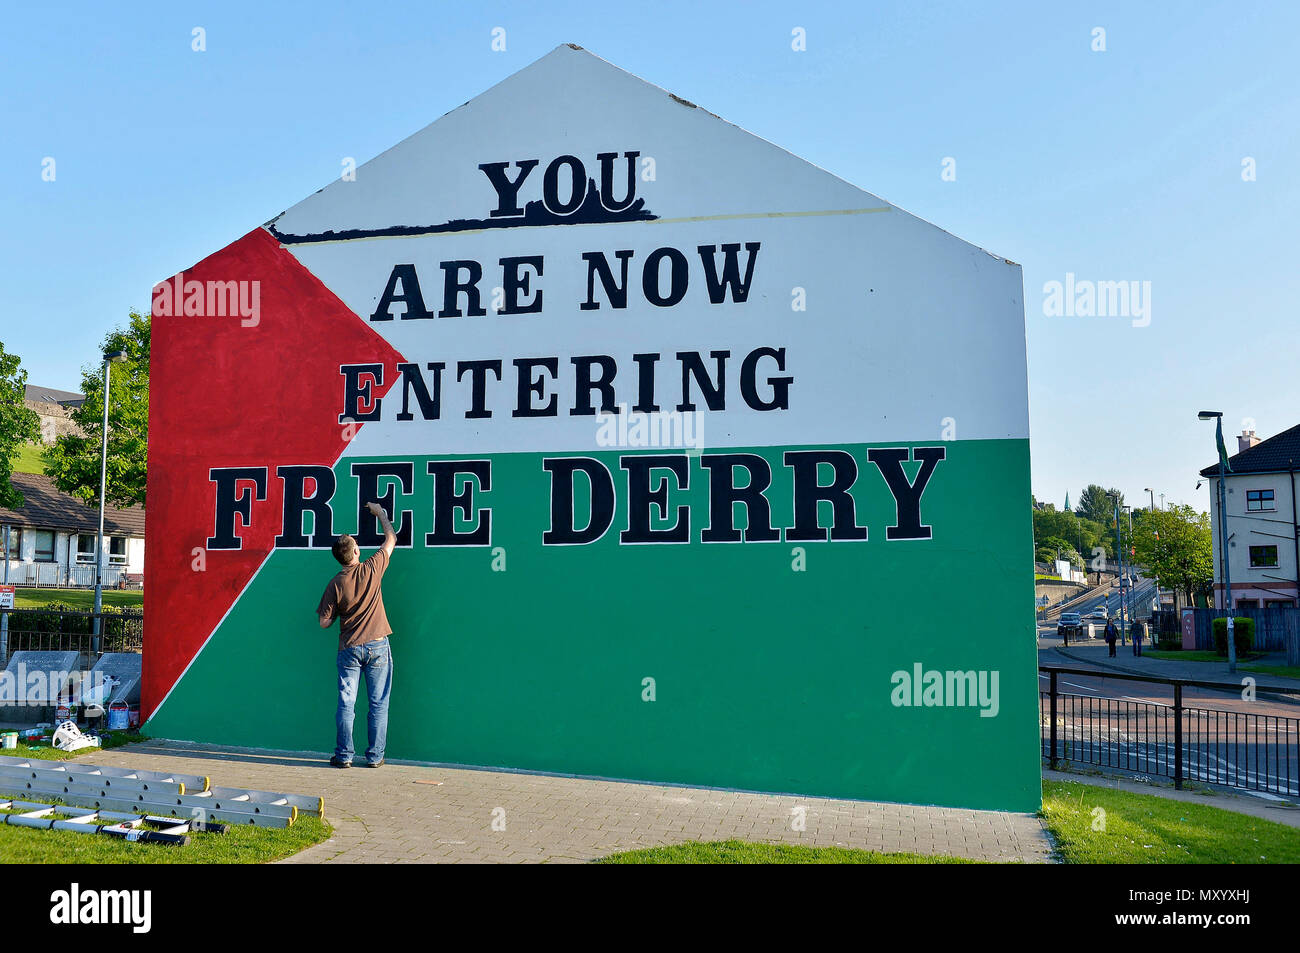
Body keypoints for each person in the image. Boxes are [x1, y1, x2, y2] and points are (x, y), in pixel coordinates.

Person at [317, 502, 397, 768]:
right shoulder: (372, 568)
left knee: (346, 703)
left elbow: (324, 623)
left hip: (349, 650)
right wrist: (381, 515)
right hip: (377, 647)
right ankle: (374, 757)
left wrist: (340, 609)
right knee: (378, 704)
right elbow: (391, 539)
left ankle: (344, 756)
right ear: (356, 552)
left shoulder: (335, 583)